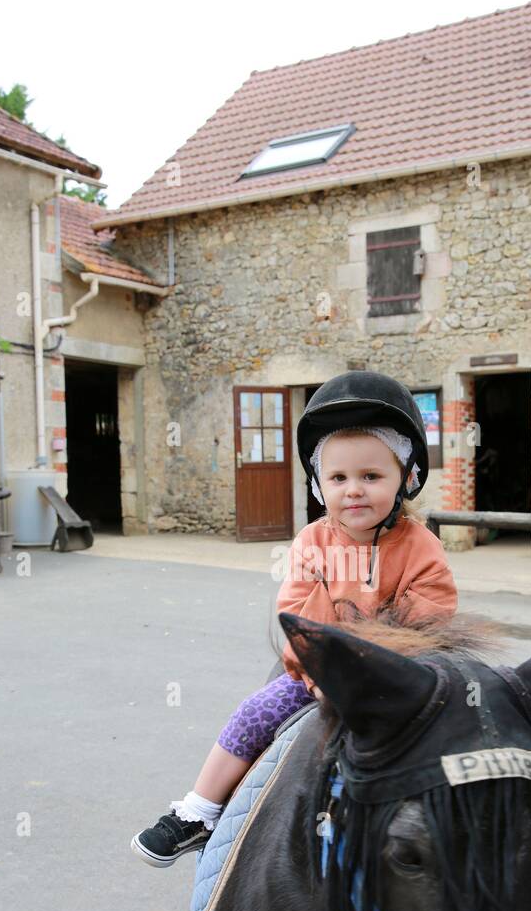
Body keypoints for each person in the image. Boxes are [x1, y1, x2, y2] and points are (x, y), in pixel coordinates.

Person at [130, 371, 458, 867]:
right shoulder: (312, 543)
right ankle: (200, 809)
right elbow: (297, 616)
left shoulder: (422, 547)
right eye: (339, 478)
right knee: (255, 713)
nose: (354, 490)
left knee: (467, 730)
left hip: (399, 678)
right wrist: (325, 672)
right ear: (319, 484)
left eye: (371, 477)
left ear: (406, 477)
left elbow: (427, 620)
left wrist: (380, 672)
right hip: (320, 676)